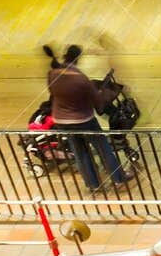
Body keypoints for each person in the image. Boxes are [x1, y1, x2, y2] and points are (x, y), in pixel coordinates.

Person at [44, 44, 128, 191]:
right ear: (78, 60)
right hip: (83, 120)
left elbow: (53, 92)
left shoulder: (52, 74)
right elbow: (97, 102)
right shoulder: (81, 79)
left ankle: (93, 184)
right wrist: (103, 95)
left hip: (62, 121)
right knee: (103, 148)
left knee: (79, 152)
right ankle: (118, 178)